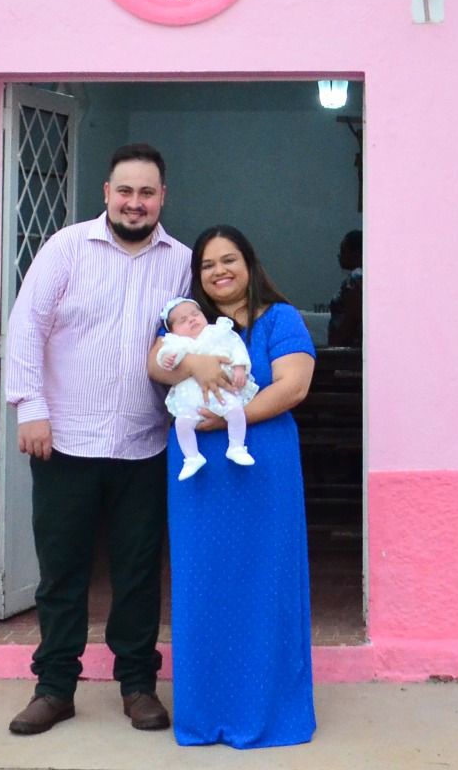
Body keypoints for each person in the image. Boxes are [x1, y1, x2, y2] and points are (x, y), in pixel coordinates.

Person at [3, 144, 228, 737]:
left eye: (147, 192)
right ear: (106, 193)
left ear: (163, 198)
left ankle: (138, 686)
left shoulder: (181, 263)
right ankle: (54, 688)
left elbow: (199, 342)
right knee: (62, 573)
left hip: (145, 443)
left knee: (136, 573)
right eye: (125, 191)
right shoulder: (67, 248)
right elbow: (27, 322)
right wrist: (30, 408)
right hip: (65, 440)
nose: (135, 202)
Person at [150, 224, 318, 748]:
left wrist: (229, 419)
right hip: (198, 479)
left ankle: (270, 713)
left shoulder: (279, 320)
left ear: (249, 264)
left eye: (229, 260)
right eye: (207, 265)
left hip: (262, 468)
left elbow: (294, 385)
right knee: (204, 585)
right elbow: (154, 363)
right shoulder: (185, 327)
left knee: (266, 583)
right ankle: (206, 715)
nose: (219, 272)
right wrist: (194, 361)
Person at [156, 296, 258, 478]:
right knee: (182, 423)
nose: (192, 319)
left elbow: (237, 348)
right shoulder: (176, 343)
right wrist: (167, 359)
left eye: (195, 314)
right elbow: (163, 359)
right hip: (191, 397)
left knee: (235, 410)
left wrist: (240, 367)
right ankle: (191, 457)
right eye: (183, 320)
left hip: (223, 391)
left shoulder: (218, 332)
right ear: (172, 331)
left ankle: (237, 446)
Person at [327, 227, 363, 348]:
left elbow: (352, 316)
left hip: (348, 347)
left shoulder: (355, 279)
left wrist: (337, 344)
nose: (339, 256)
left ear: (356, 253)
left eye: (343, 251)